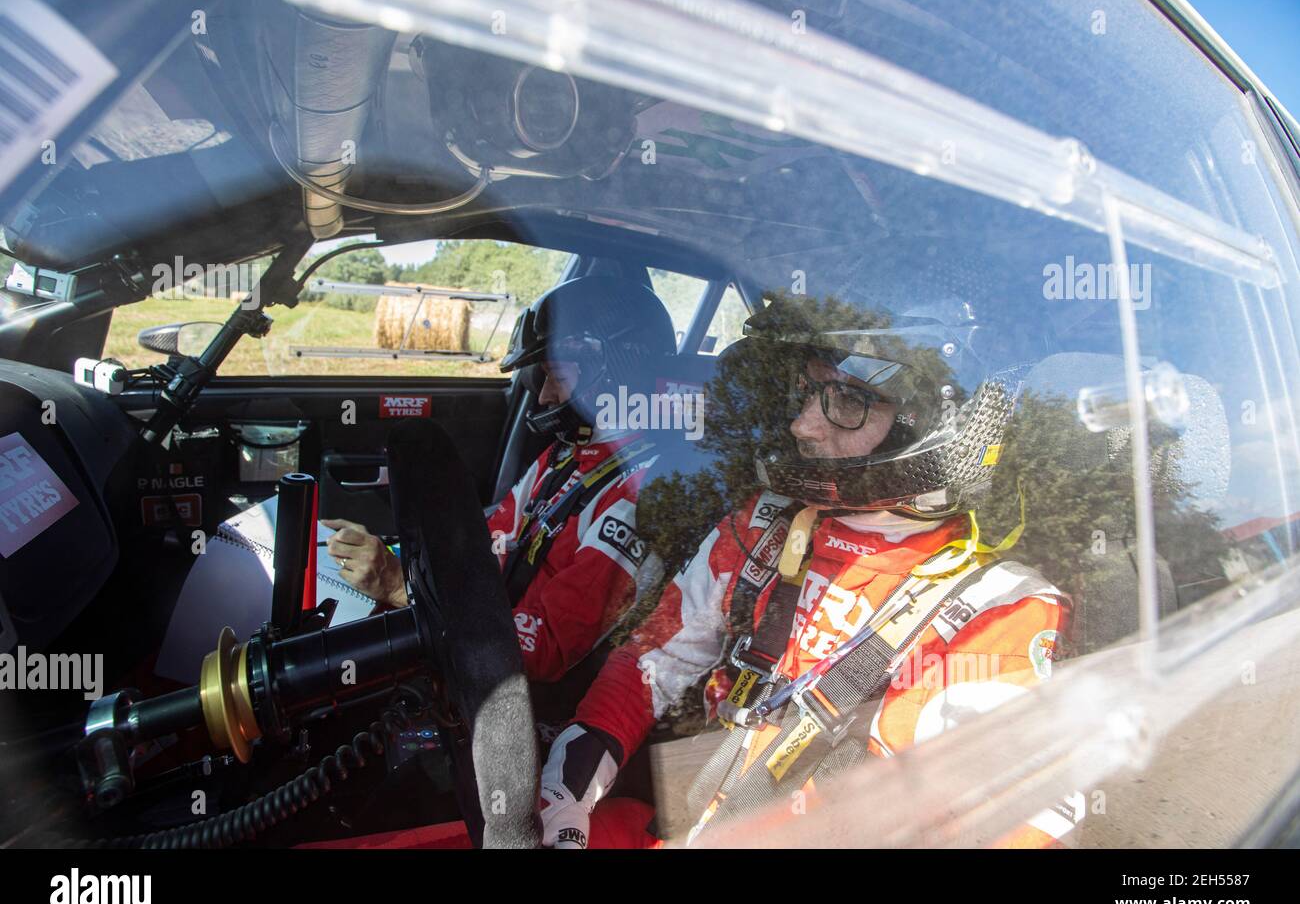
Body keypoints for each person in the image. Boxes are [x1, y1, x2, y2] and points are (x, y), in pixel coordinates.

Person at [535, 292, 1083, 849]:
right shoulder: (763, 528)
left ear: (937, 421)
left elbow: (1021, 822)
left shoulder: (995, 612)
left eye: (848, 400)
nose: (803, 426)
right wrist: (575, 778)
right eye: (808, 393)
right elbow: (652, 660)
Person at [323, 275, 677, 695]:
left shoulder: (640, 500)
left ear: (617, 372)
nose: (543, 396)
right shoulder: (567, 455)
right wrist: (397, 561)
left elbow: (544, 649)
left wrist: (402, 587)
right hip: (476, 647)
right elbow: (487, 545)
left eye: (557, 376)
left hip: (519, 701)